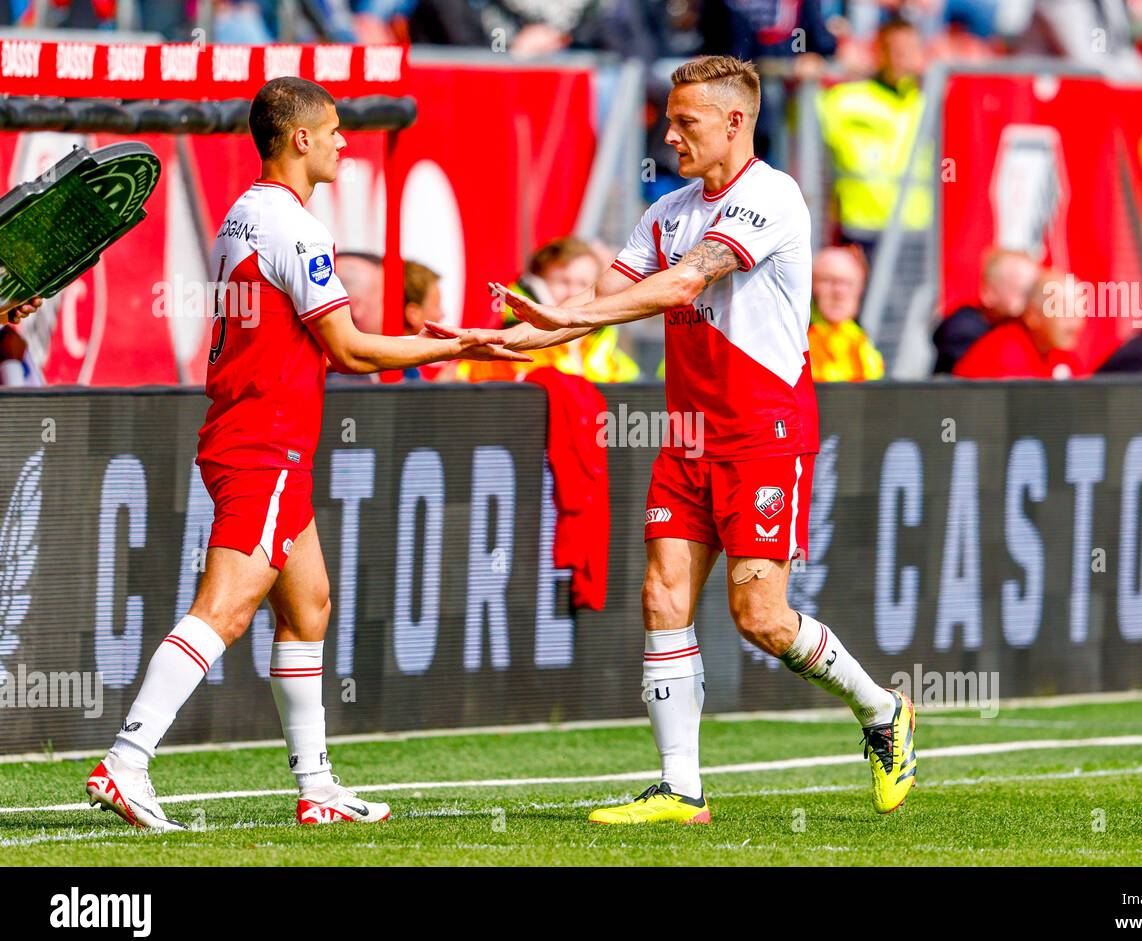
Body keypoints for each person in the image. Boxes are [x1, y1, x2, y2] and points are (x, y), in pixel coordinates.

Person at [85, 76, 528, 831]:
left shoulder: (246, 215)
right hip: (262, 442)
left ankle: (317, 786)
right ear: (300, 139)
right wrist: (449, 340)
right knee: (222, 611)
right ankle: (125, 760)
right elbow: (349, 348)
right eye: (333, 132)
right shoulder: (292, 226)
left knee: (310, 602)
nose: (343, 143)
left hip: (260, 435)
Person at [486, 55, 916, 823]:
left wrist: (564, 321)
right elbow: (603, 300)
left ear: (734, 121)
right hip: (687, 432)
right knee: (661, 595)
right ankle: (681, 787)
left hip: (764, 432)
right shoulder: (668, 209)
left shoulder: (773, 196)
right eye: (668, 118)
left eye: (685, 121)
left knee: (760, 617)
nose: (669, 133)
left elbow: (684, 283)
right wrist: (489, 339)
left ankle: (882, 711)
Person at [819, 17, 931, 263]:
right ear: (879, 52)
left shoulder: (930, 102)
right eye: (895, 50)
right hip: (861, 226)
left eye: (910, 51)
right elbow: (803, 124)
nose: (902, 59)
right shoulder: (845, 99)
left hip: (915, 227)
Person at [462, 237, 640, 384]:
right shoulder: (503, 351)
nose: (572, 292)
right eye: (563, 282)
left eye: (583, 284)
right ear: (537, 286)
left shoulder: (611, 354)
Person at [953, 270, 1085, 379]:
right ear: (1033, 316)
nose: (1075, 323)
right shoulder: (1005, 355)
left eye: (1079, 311)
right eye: (1064, 312)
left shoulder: (1061, 353)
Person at [932, 248, 1038, 375]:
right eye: (1020, 289)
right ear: (989, 292)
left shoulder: (1027, 329)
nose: (1031, 298)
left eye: (1034, 289)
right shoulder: (964, 329)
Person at [808, 245, 884, 381]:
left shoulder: (865, 346)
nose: (839, 292)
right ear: (810, 285)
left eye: (848, 283)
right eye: (829, 281)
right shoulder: (795, 343)